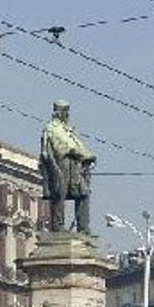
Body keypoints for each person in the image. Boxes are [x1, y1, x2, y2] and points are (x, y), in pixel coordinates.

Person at [38, 99, 97, 234]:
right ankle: (58, 226)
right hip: (60, 164)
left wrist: (87, 155)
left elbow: (78, 145)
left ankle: (83, 228)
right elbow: (61, 146)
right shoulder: (52, 128)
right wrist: (79, 152)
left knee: (84, 193)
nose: (67, 115)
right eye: (65, 112)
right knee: (60, 194)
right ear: (60, 113)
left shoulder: (68, 130)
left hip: (75, 166)